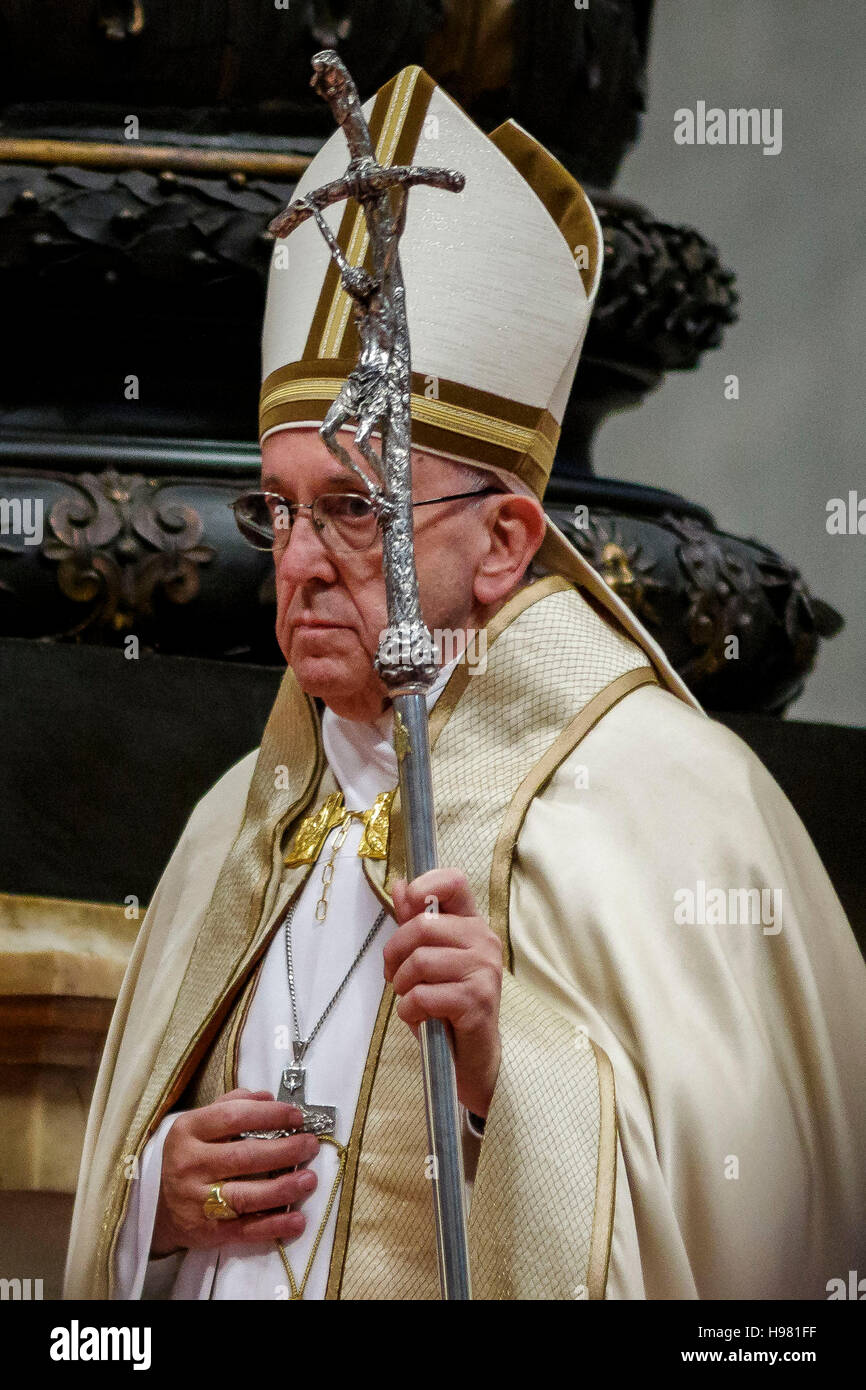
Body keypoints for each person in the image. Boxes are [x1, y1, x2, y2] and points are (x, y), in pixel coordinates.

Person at [64, 63, 866, 1301]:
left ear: (502, 540)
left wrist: (503, 1076)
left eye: (352, 510)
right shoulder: (235, 818)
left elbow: (751, 1241)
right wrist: (151, 1205)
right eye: (275, 512)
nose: (301, 563)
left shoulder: (673, 803)